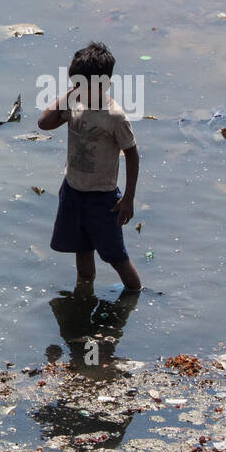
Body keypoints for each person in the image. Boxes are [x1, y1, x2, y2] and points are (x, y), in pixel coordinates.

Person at [38, 42, 142, 291]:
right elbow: (44, 123)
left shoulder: (114, 116)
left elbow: (132, 155)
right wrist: (70, 94)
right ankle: (83, 299)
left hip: (103, 199)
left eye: (82, 85)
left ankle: (133, 298)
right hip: (73, 191)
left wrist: (128, 198)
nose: (76, 89)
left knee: (117, 257)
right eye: (74, 83)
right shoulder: (75, 104)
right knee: (81, 252)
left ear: (102, 85)